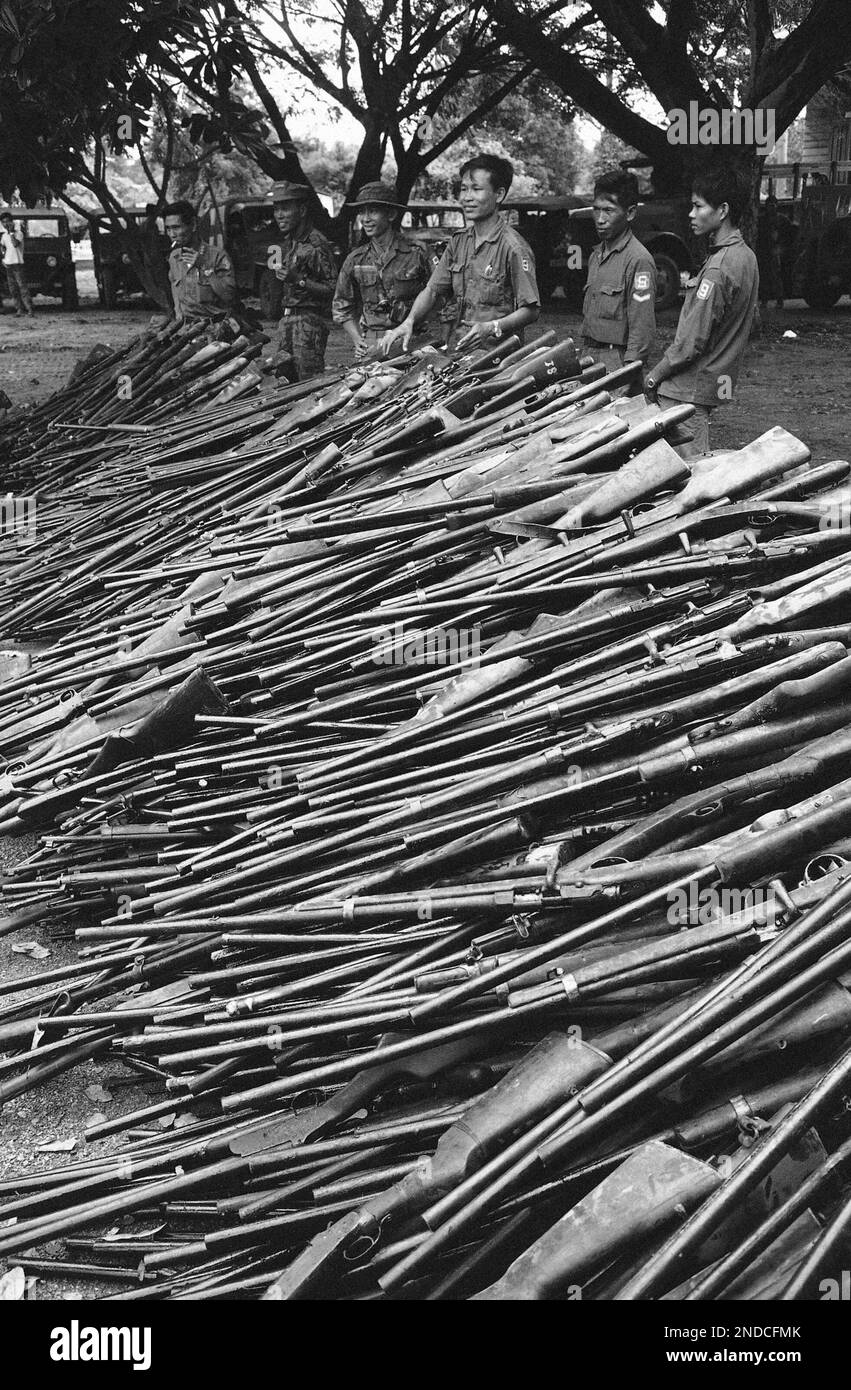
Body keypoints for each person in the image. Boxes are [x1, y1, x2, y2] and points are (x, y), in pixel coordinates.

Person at [645, 165, 759, 458]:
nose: (691, 214)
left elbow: (690, 344)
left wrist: (653, 376)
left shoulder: (718, 269)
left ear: (722, 210)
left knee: (684, 478)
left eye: (698, 206)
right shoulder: (745, 257)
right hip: (709, 386)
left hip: (687, 391)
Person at [382, 153, 540, 356]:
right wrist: (409, 321)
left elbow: (532, 310)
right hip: (458, 354)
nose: (466, 197)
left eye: (476, 189)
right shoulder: (459, 242)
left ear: (499, 194)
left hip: (497, 360)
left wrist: (492, 326)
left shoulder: (514, 248)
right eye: (464, 189)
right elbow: (432, 291)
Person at [333, 182, 432, 361]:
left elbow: (442, 296)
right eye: (362, 212)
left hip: (411, 340)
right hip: (371, 344)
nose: (365, 218)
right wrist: (358, 340)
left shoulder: (418, 252)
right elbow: (342, 306)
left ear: (391, 214)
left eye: (373, 211)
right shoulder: (356, 259)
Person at [581, 170, 656, 378]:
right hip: (589, 359)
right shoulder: (596, 256)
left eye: (609, 211)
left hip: (617, 363)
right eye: (596, 210)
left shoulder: (638, 260)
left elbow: (642, 332)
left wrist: (627, 377)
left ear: (630, 213)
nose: (600, 219)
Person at [267, 181, 337, 381]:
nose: (279, 215)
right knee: (283, 381)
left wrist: (299, 280)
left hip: (308, 323)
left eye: (285, 209)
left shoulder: (316, 244)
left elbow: (333, 288)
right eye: (276, 209)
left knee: (308, 385)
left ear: (303, 210)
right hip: (287, 321)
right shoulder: (290, 242)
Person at [164, 200, 237, 321]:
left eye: (176, 227)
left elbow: (228, 296)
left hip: (214, 324)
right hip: (186, 326)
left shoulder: (218, 256)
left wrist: (205, 267)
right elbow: (174, 284)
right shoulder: (174, 257)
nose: (172, 234)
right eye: (168, 229)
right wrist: (177, 310)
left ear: (193, 225)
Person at [1, 212, 34, 318]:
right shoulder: (4, 236)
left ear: (12, 222)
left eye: (7, 221)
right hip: (8, 265)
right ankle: (19, 310)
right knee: (13, 289)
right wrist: (3, 259)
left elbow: (15, 244)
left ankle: (29, 309)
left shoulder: (19, 233)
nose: (6, 224)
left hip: (18, 264)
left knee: (22, 287)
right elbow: (2, 247)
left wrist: (11, 233)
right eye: (3, 222)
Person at [757, 195, 784, 309]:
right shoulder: (763, 220)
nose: (771, 208)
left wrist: (780, 246)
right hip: (765, 250)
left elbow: (787, 234)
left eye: (773, 205)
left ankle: (778, 300)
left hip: (774, 250)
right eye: (770, 205)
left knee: (775, 276)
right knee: (765, 277)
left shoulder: (780, 220)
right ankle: (765, 300)